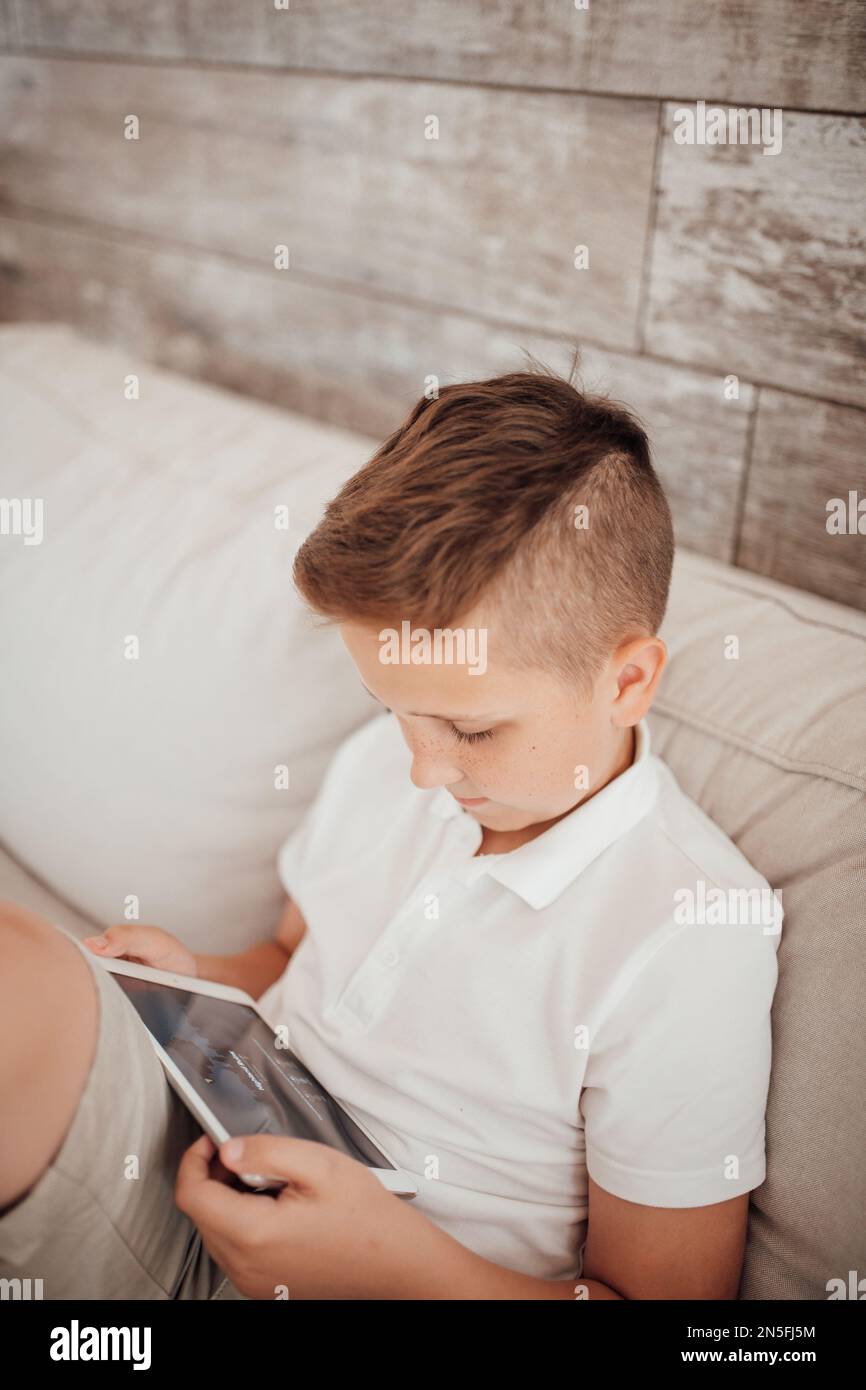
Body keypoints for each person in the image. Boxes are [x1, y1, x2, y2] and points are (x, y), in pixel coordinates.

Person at [0, 363, 782, 1299]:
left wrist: (389, 1264)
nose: (421, 769)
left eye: (474, 729)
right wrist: (191, 982)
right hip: (205, 1163)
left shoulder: (690, 930)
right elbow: (286, 959)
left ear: (626, 681)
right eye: (391, 708)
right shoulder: (389, 765)